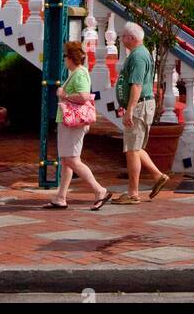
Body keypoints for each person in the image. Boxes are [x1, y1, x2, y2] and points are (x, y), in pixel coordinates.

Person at [45, 41, 112, 211]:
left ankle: (99, 190)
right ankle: (61, 197)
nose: (64, 59)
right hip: (70, 122)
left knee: (71, 160)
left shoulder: (79, 74)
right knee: (67, 160)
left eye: (65, 56)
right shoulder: (76, 72)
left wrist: (64, 94)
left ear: (70, 58)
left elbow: (83, 96)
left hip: (73, 123)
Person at [113, 22, 171, 204]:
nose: (121, 40)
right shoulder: (141, 54)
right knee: (136, 148)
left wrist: (129, 110)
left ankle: (133, 193)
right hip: (142, 105)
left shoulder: (138, 57)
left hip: (139, 106)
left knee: (131, 150)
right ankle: (158, 176)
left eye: (124, 36)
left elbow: (137, 85)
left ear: (132, 38)